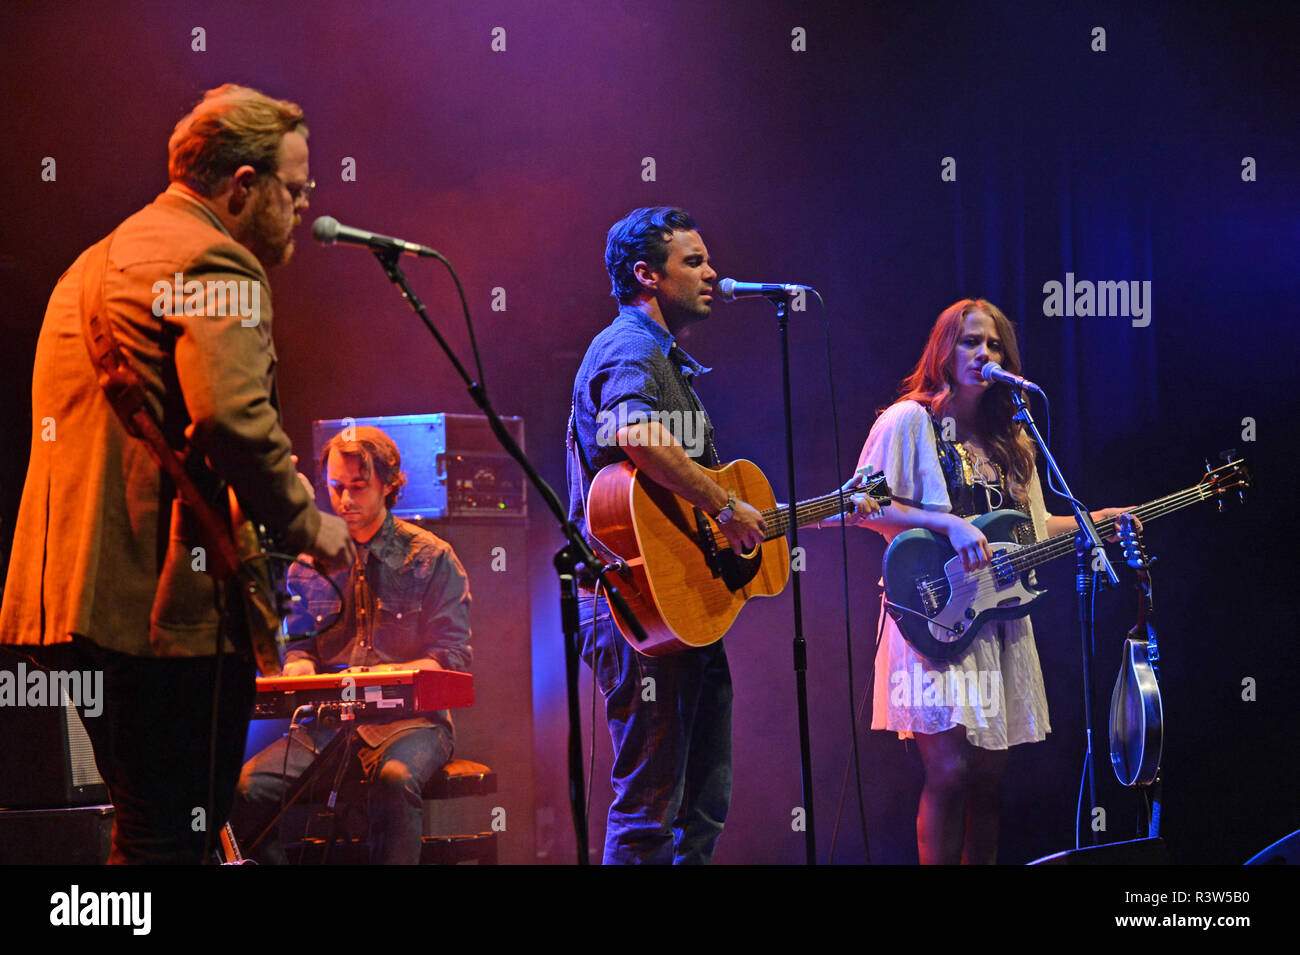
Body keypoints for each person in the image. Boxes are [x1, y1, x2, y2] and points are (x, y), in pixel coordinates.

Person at [0, 84, 355, 863]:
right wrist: (308, 520)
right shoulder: (215, 257)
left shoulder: (94, 263)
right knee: (176, 839)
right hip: (162, 615)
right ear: (243, 185)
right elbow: (230, 417)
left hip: (69, 604)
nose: (304, 207)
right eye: (294, 190)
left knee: (146, 833)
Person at [846, 298, 1137, 864]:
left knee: (987, 780)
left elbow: (1034, 526)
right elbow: (861, 506)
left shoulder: (1015, 435)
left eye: (995, 343)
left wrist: (1098, 519)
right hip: (933, 615)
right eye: (970, 341)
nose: (983, 353)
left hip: (997, 617)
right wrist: (945, 522)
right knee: (950, 773)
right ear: (944, 351)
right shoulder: (910, 420)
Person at [230, 426, 472, 865]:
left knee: (394, 780)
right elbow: (300, 646)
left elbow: (453, 655)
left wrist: (387, 675)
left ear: (389, 483)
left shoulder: (432, 557)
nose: (344, 500)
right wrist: (299, 664)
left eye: (357, 487)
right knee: (245, 790)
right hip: (329, 725)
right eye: (336, 488)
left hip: (413, 724)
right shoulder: (309, 564)